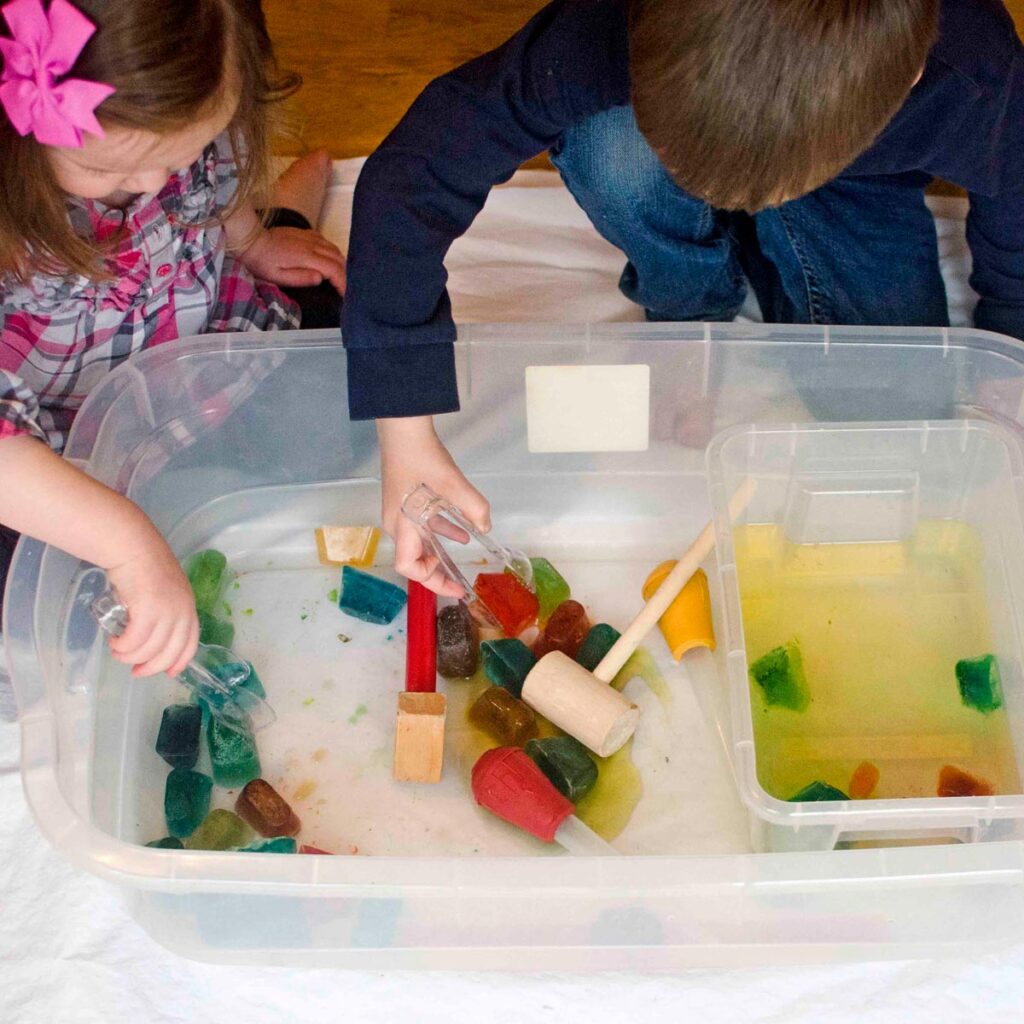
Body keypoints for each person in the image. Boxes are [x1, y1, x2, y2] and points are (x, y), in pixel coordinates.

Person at [342, 0, 1024, 593]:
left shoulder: (976, 71)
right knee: (610, 148)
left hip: (856, 178)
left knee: (886, 407)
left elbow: (1018, 220)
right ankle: (688, 305)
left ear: (910, 74)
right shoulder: (606, 31)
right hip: (652, 129)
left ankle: (771, 232)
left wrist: (1009, 353)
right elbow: (416, 174)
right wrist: (404, 428)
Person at [0, 0, 345, 677]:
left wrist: (254, 241)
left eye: (180, 153)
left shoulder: (187, 112)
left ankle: (285, 213)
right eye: (112, 172)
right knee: (57, 623)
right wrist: (128, 546)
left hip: (193, 357)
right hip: (46, 451)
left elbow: (214, 186)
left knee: (343, 383)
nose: (155, 183)